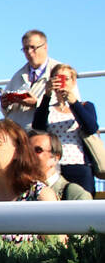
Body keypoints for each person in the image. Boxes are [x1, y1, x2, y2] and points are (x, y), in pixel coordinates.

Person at [32, 63, 97, 192]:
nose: (62, 82)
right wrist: (47, 95)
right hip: (53, 167)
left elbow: (91, 127)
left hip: (79, 165)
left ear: (73, 82)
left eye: (66, 79)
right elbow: (37, 127)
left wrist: (73, 103)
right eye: (57, 78)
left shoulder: (84, 106)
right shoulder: (47, 108)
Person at [0, 29, 54, 131]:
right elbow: (6, 112)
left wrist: (37, 104)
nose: (29, 52)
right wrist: (4, 105)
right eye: (25, 49)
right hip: (18, 134)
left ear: (45, 47)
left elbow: (68, 107)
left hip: (43, 135)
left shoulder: (59, 72)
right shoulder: (18, 75)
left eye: (33, 48)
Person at [29, 130, 92, 201]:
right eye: (27, 150)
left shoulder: (75, 194)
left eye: (38, 150)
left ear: (56, 157)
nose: (30, 155)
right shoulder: (20, 192)